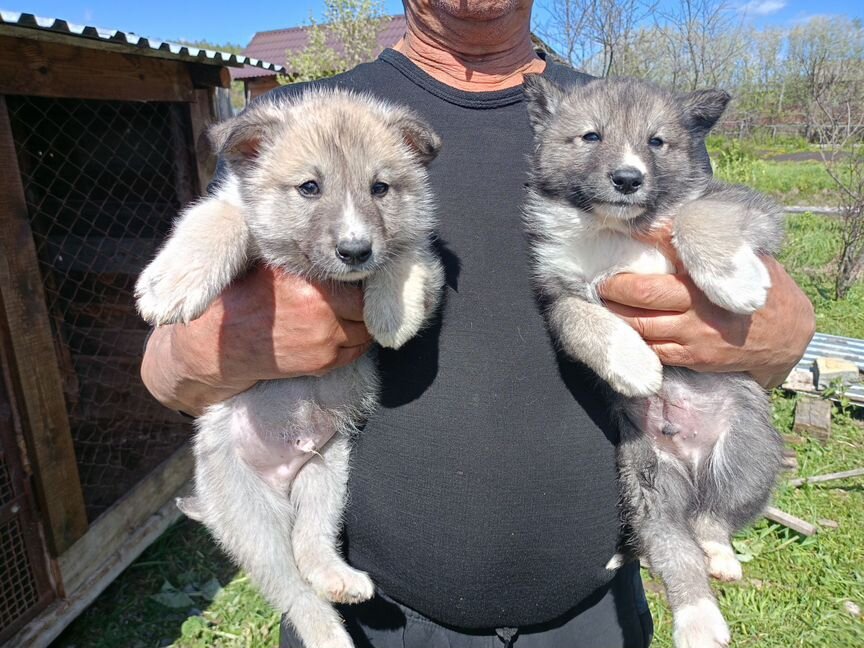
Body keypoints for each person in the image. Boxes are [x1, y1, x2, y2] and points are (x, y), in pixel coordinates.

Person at [141, 1, 816, 646]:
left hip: (596, 612)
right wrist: (215, 348)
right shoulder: (308, 118)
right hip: (375, 619)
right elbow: (167, 373)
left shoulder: (617, 113)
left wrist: (781, 332)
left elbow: (739, 294)